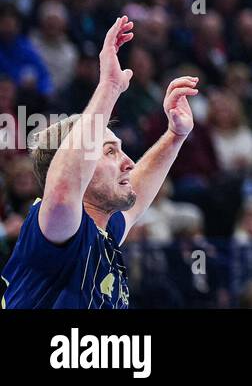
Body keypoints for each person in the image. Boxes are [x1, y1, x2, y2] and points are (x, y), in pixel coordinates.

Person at [0, 16, 199, 308]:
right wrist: (109, 87)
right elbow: (65, 189)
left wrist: (175, 135)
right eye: (109, 151)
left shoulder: (103, 233)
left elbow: (139, 191)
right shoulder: (55, 226)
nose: (129, 162)